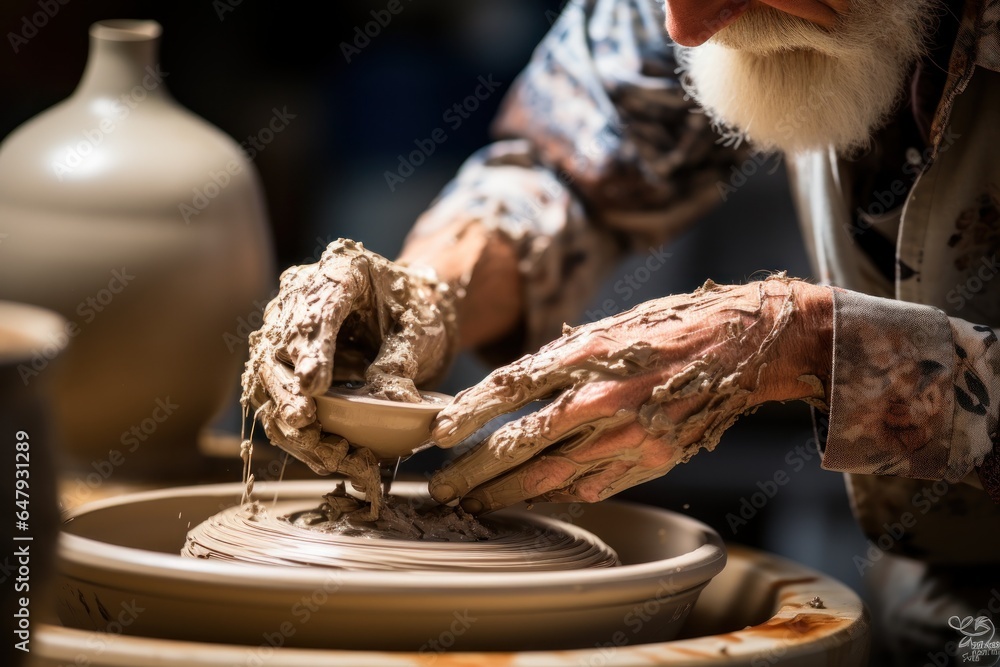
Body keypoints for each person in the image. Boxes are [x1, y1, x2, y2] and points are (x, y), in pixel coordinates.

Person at [245, 0, 1000, 662]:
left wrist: (809, 346)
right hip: (931, 602)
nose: (685, 25)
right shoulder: (686, 7)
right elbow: (562, 165)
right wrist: (423, 294)